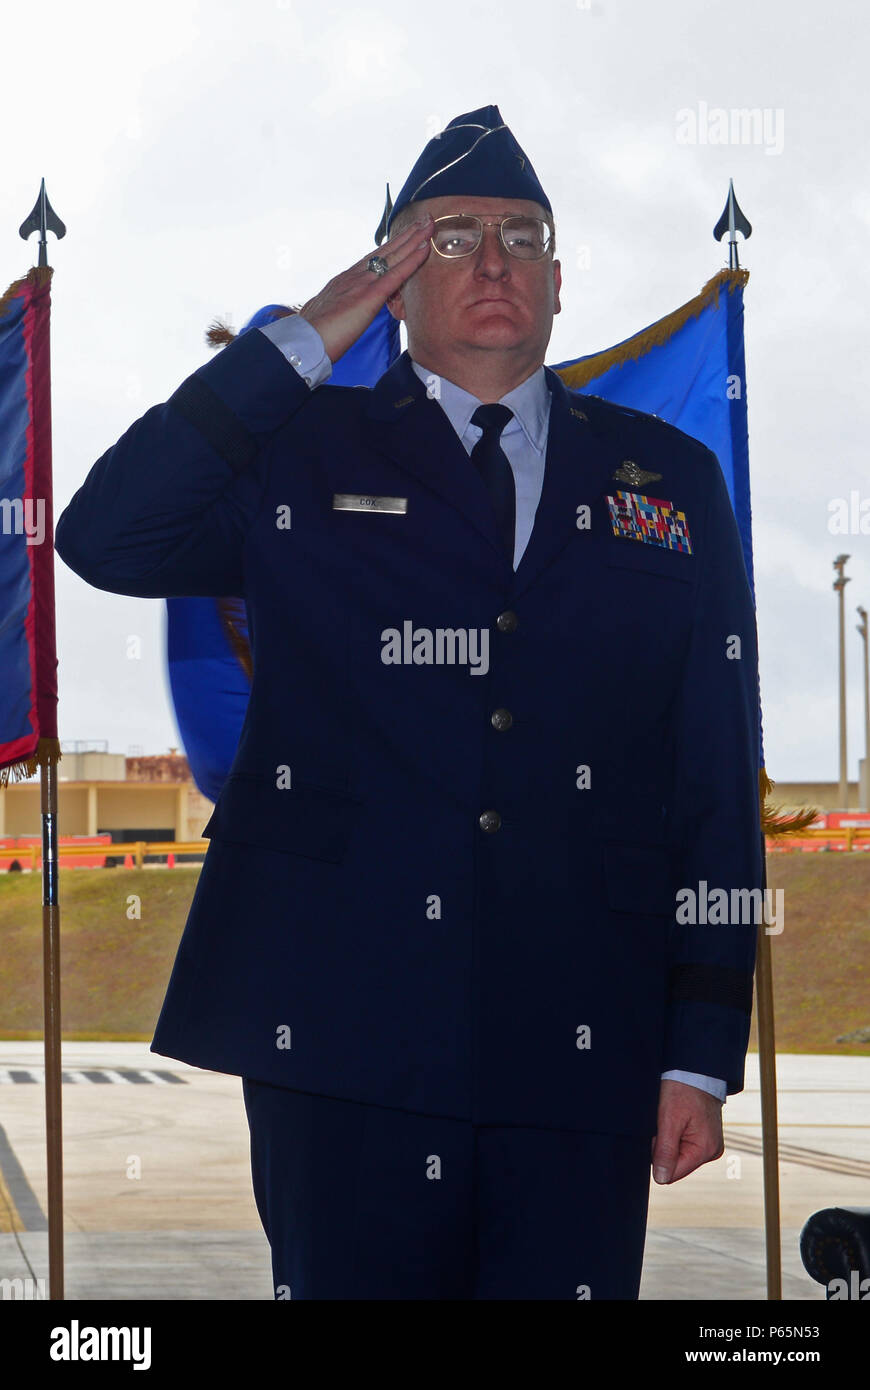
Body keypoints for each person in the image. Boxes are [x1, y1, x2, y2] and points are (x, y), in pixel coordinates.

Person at [55, 105, 763, 1300]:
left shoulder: (667, 479)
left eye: (524, 236)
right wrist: (302, 339)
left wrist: (699, 1054)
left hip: (581, 1035)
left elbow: (711, 771)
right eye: (449, 238)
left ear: (557, 280)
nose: (494, 262)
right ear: (389, 277)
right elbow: (108, 531)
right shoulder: (303, 448)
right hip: (342, 1031)